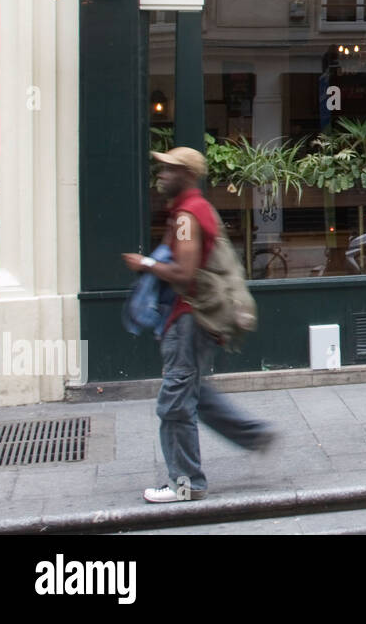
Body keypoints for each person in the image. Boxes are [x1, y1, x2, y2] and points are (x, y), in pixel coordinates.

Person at [121, 146, 274, 503]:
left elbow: (185, 273)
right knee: (194, 392)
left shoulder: (189, 214)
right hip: (191, 317)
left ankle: (186, 483)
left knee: (175, 401)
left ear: (187, 175)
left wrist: (145, 263)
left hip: (189, 318)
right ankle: (254, 434)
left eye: (169, 169)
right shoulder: (191, 210)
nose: (161, 174)